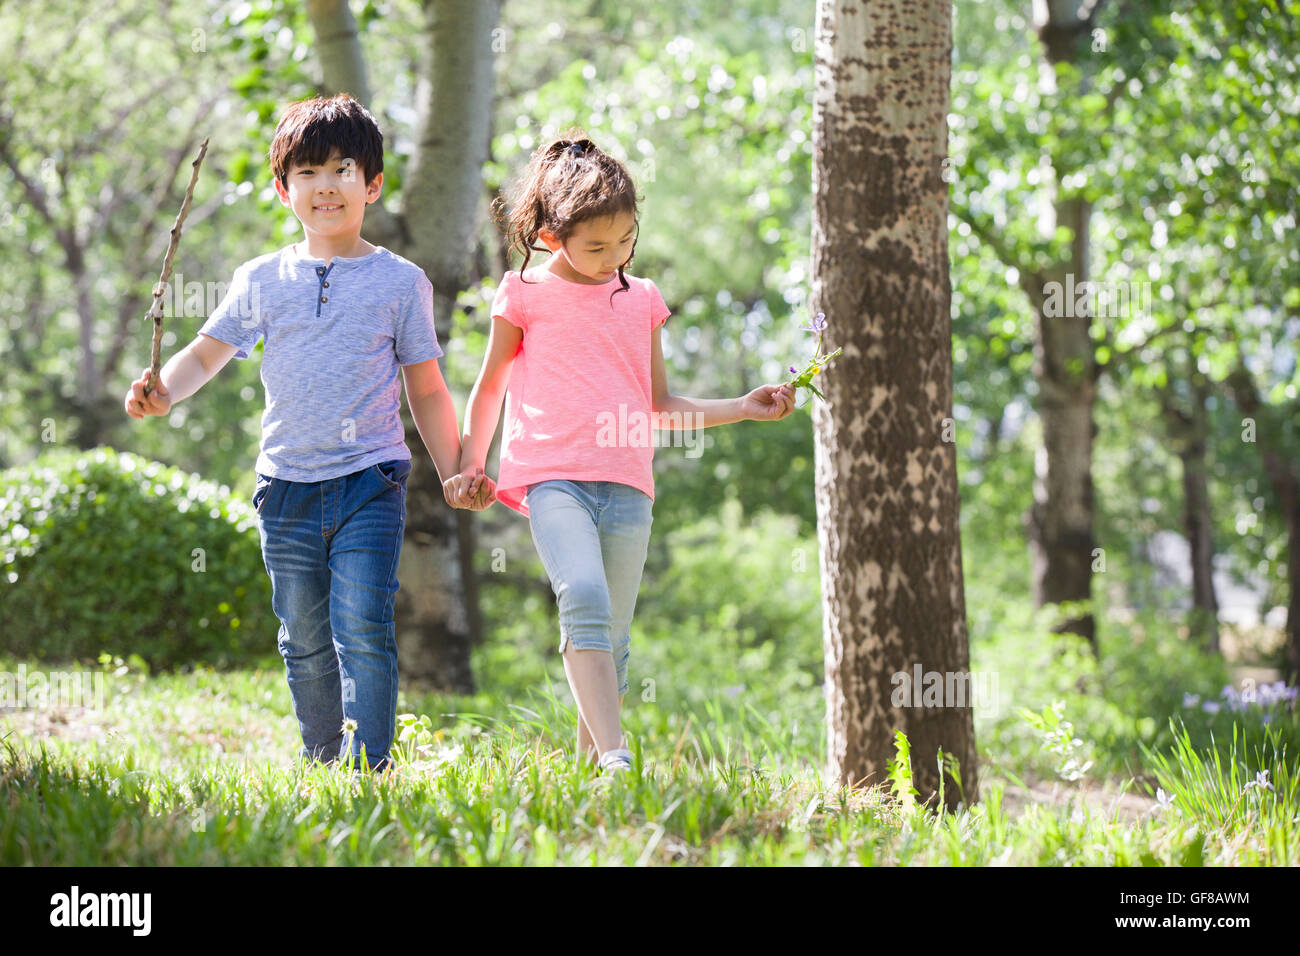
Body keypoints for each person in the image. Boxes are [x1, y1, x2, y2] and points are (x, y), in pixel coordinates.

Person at [124, 93, 481, 773]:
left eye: (344, 169)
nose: (327, 186)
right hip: (284, 486)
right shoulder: (261, 278)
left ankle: (371, 767)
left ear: (372, 186)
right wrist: (164, 389)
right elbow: (206, 352)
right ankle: (322, 759)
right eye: (309, 172)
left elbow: (427, 388)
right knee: (304, 635)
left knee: (364, 629)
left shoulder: (400, 283)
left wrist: (458, 464)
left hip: (369, 482)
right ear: (283, 188)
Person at [448, 133, 795, 774]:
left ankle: (592, 775)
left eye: (626, 241)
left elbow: (660, 403)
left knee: (612, 635)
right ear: (551, 234)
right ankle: (616, 752)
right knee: (581, 594)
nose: (614, 258)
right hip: (550, 476)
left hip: (629, 482)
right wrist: (473, 463)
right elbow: (491, 383)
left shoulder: (641, 300)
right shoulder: (522, 293)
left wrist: (742, 407)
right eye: (596, 247)